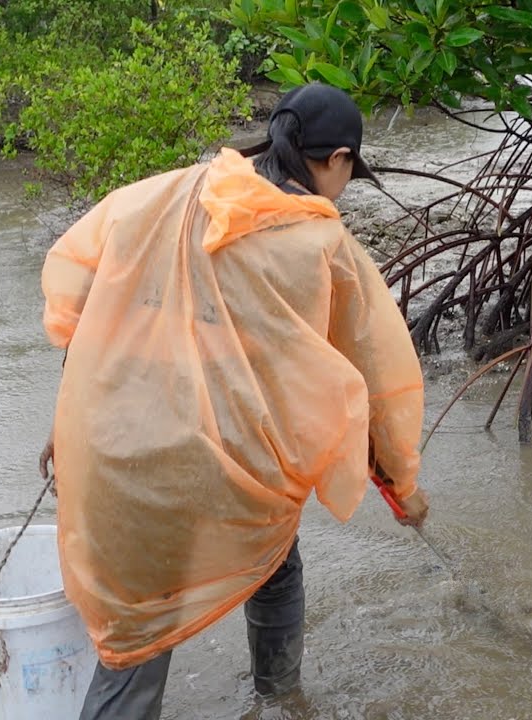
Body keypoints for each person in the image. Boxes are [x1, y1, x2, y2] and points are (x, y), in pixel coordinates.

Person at [37, 82, 429, 719]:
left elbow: (75, 297)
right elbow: (376, 378)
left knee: (135, 637)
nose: (344, 187)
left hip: (119, 449)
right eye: (350, 172)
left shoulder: (161, 196)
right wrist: (404, 487)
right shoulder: (319, 243)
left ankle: (264, 700)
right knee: (272, 560)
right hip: (232, 465)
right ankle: (280, 700)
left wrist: (66, 424)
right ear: (337, 159)